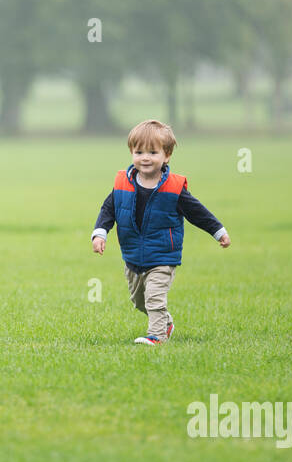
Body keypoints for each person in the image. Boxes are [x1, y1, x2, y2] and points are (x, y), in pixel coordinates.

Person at [91, 119, 230, 345]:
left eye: (153, 152)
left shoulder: (174, 188)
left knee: (155, 296)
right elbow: (108, 209)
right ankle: (165, 323)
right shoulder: (122, 184)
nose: (145, 157)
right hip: (133, 256)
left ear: (166, 155)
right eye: (139, 152)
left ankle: (157, 337)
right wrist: (100, 233)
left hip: (163, 255)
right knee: (139, 301)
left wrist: (218, 231)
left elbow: (197, 212)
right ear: (131, 153)